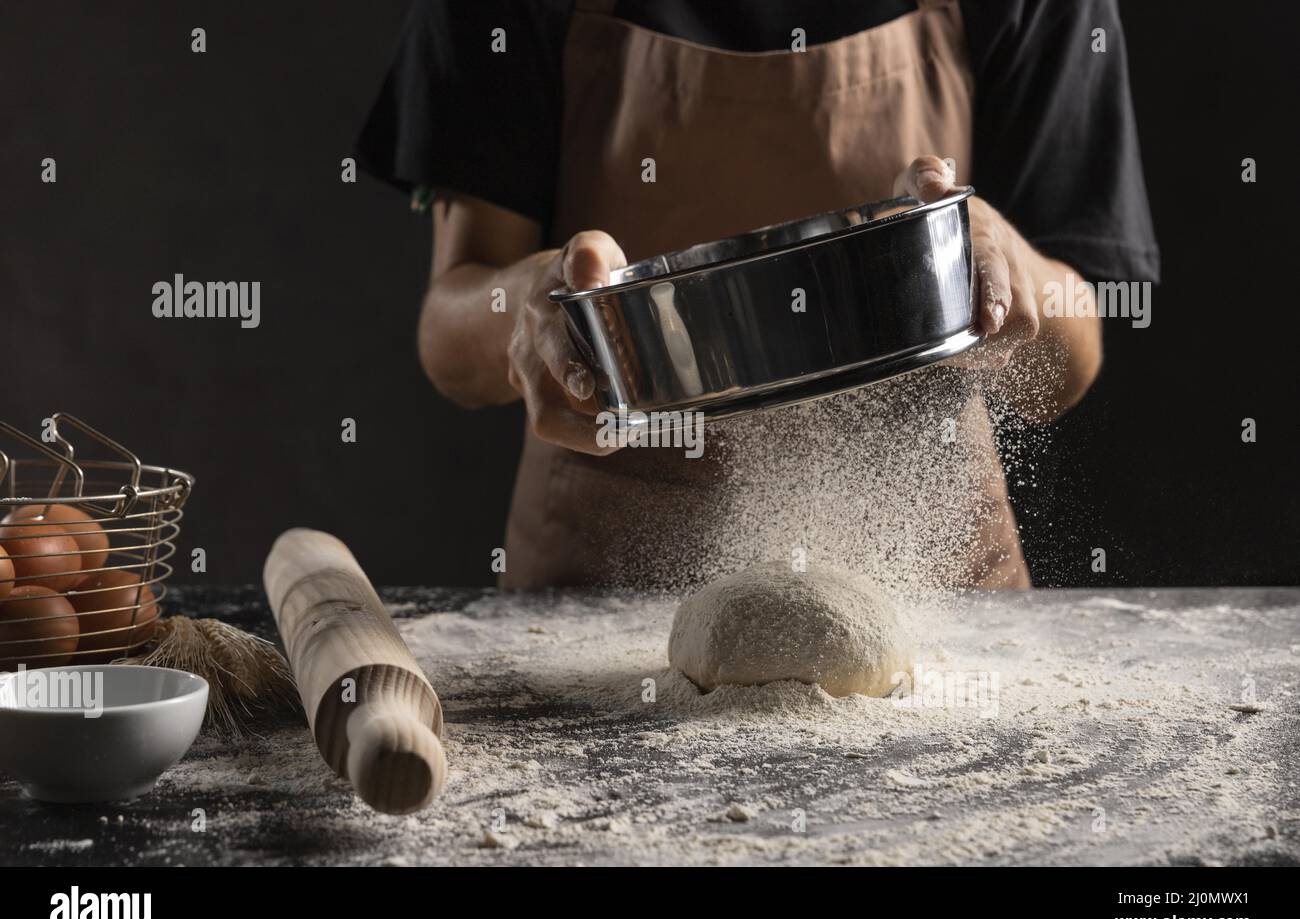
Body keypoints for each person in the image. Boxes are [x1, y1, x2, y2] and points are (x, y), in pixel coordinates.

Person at [357, 0, 1159, 590]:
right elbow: (450, 330)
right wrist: (533, 310)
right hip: (600, 612)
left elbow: (1065, 369)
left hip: (940, 610)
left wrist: (1006, 269)